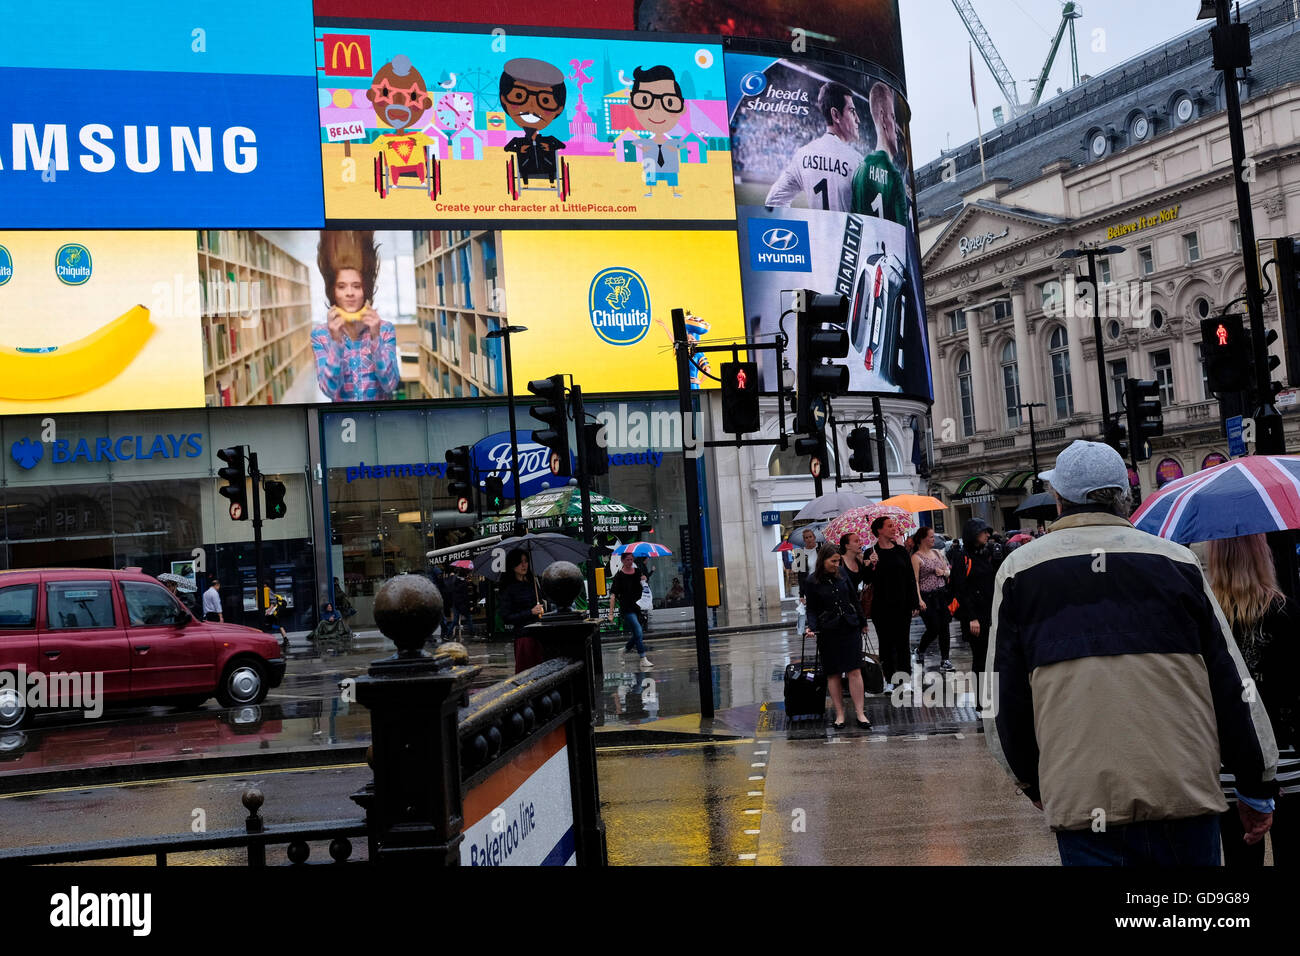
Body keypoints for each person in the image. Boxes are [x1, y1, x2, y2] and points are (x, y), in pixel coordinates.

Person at [986, 440, 1278, 866]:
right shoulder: (1177, 562)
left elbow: (1003, 697)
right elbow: (1233, 683)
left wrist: (1035, 782)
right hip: (1183, 795)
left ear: (1058, 498)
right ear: (1125, 495)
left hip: (1086, 803)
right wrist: (1255, 784)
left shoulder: (1019, 571)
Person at [1207, 533, 1299, 866]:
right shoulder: (1286, 612)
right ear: (1263, 555)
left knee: (1239, 860)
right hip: (1286, 762)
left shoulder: (1206, 616)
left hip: (1227, 765)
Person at [312, 231, 399, 402]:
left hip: (378, 421)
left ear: (365, 290)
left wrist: (375, 338)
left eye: (356, 286)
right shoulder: (320, 335)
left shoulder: (385, 329)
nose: (349, 293)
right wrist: (336, 343)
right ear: (333, 292)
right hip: (342, 423)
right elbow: (329, 391)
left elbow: (390, 385)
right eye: (342, 287)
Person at [763, 81, 862, 211]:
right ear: (836, 115)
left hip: (815, 231)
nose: (858, 119)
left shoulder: (803, 154)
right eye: (852, 111)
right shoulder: (856, 160)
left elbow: (772, 202)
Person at [803, 544, 871, 730]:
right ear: (822, 560)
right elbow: (811, 609)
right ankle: (839, 713)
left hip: (849, 626)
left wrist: (862, 621)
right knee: (832, 673)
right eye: (832, 561)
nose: (836, 564)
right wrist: (812, 627)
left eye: (838, 560)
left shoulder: (842, 573)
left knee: (854, 670)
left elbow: (853, 598)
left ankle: (860, 713)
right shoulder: (812, 581)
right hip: (828, 630)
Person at [862, 515, 920, 690]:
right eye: (889, 526)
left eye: (893, 526)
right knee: (886, 643)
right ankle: (889, 680)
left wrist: (915, 602)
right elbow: (866, 580)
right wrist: (870, 565)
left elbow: (910, 577)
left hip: (902, 604)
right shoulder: (871, 552)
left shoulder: (901, 551)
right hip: (881, 606)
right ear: (879, 530)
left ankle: (905, 678)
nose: (894, 528)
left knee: (902, 642)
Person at [948, 517, 995, 712]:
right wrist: (971, 617)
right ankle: (981, 702)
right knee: (980, 658)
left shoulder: (988, 553)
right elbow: (960, 589)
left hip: (991, 612)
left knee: (993, 658)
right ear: (974, 534)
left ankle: (991, 697)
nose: (988, 535)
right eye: (984, 531)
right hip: (975, 616)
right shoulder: (962, 556)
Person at [500, 58, 567, 184]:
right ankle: (524, 180)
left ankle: (552, 180)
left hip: (548, 169)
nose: (531, 108)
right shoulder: (518, 142)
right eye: (519, 96)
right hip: (525, 169)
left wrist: (549, 147)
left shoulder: (550, 140)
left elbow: (562, 145)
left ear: (559, 109)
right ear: (504, 99)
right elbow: (507, 148)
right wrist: (519, 150)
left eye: (545, 100)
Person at [850, 82, 908, 224]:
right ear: (882, 118)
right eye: (893, 118)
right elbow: (902, 234)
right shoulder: (893, 175)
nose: (896, 129)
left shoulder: (859, 171)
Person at [911, 526, 954, 671]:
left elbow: (948, 571)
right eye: (930, 537)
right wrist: (919, 600)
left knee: (945, 627)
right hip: (927, 596)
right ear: (922, 539)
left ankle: (945, 659)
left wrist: (943, 572)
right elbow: (915, 580)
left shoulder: (936, 552)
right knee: (933, 627)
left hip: (941, 594)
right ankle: (920, 650)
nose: (933, 540)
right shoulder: (916, 557)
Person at [608, 553, 653, 669]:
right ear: (622, 561)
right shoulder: (619, 576)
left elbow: (644, 587)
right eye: (627, 559)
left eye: (631, 559)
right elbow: (613, 596)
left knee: (638, 634)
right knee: (638, 630)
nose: (630, 562)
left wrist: (644, 580)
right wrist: (611, 614)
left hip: (638, 607)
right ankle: (643, 659)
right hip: (627, 608)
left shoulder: (638, 573)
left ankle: (623, 650)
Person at [262, 580, 289, 647]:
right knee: (276, 625)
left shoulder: (267, 590)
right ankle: (285, 640)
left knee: (276, 625)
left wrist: (269, 610)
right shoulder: (265, 590)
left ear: (265, 584)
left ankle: (285, 640)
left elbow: (273, 602)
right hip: (272, 611)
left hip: (274, 611)